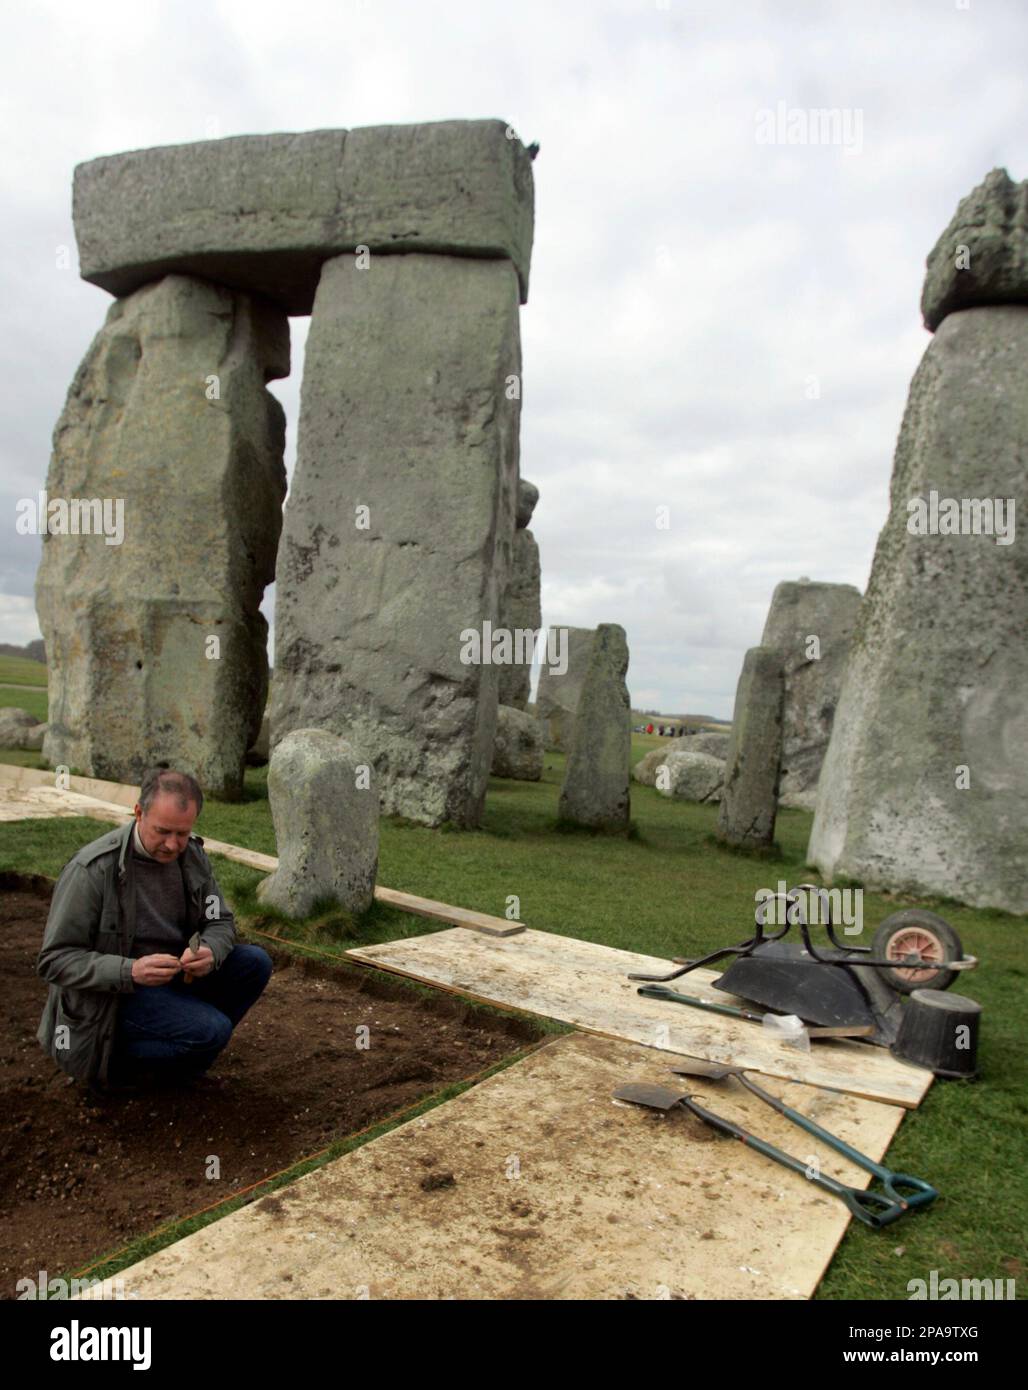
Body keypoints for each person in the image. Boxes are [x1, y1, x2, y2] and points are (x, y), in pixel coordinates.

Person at [36, 766, 272, 1093]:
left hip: (173, 977)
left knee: (254, 962)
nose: (173, 845)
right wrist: (130, 971)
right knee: (211, 1031)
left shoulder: (193, 858)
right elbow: (54, 959)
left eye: (183, 833)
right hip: (116, 995)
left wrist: (210, 950)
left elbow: (219, 919)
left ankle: (183, 1060)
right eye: (163, 831)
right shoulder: (91, 870)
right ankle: (115, 1068)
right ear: (138, 813)